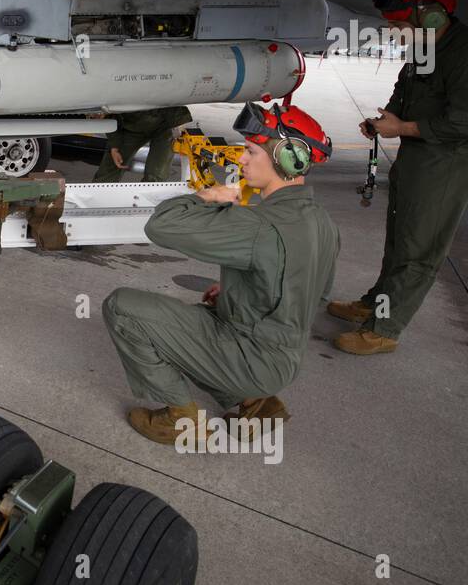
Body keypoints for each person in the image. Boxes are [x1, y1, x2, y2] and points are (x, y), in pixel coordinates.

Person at [103, 103, 338, 445]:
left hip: (252, 361)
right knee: (203, 317)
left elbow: (161, 226)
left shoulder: (259, 225)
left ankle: (183, 419)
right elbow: (315, 292)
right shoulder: (324, 223)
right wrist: (237, 291)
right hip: (284, 359)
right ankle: (256, 402)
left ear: (288, 159)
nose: (241, 160)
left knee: (121, 307)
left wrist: (207, 195)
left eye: (252, 151)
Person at [328, 0, 468, 355]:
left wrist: (401, 128)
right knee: (399, 241)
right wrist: (388, 117)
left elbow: (467, 123)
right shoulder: (427, 47)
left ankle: (384, 330)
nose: (393, 34)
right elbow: (406, 87)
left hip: (444, 165)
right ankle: (377, 302)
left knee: (419, 249)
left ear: (431, 18)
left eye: (397, 26)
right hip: (416, 157)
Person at [93, 106, 193, 182]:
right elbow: (109, 116)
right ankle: (95, 202)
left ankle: (150, 204)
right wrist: (115, 146)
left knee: (157, 177)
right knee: (107, 174)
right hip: (131, 128)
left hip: (164, 126)